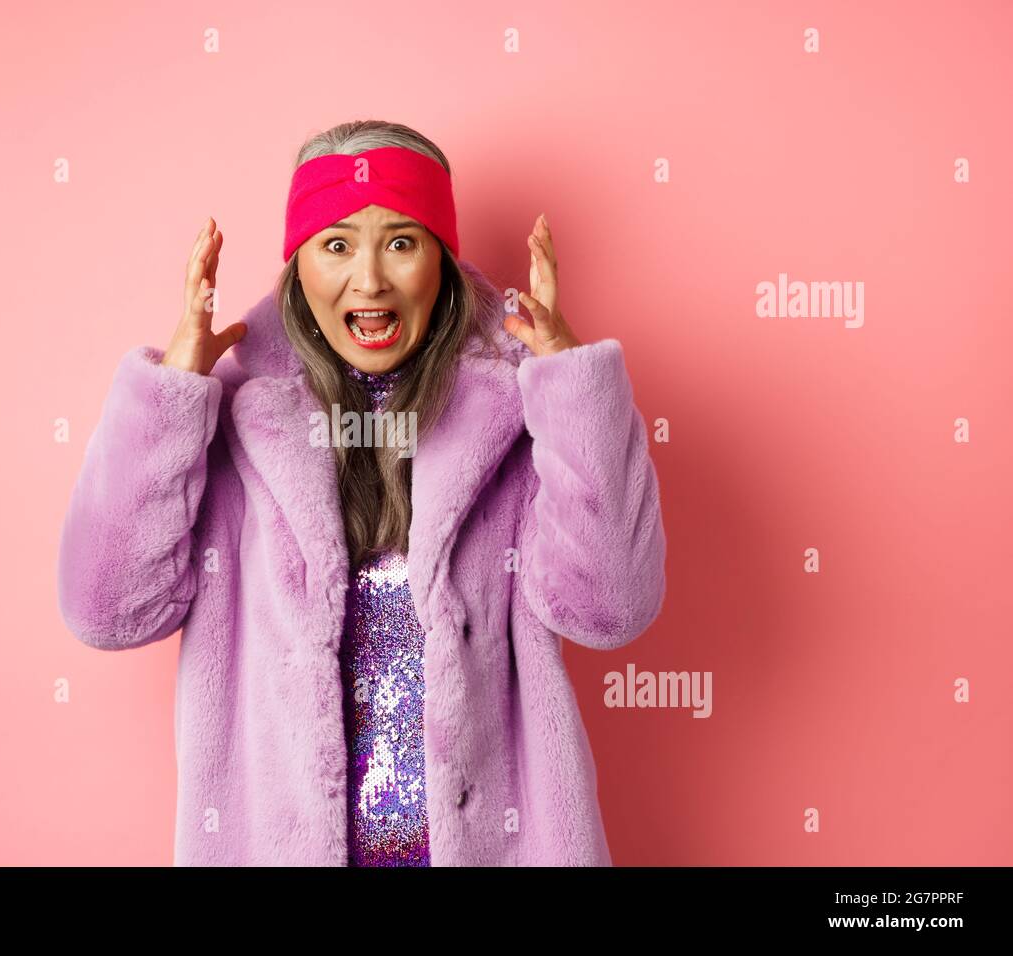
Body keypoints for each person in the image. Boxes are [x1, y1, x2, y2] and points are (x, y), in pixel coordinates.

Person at [57, 119, 667, 866]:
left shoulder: (517, 413)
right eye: (337, 244)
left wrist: (573, 391)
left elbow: (612, 611)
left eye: (402, 242)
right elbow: (107, 611)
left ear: (440, 260)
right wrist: (172, 396)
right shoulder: (228, 418)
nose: (370, 279)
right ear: (299, 264)